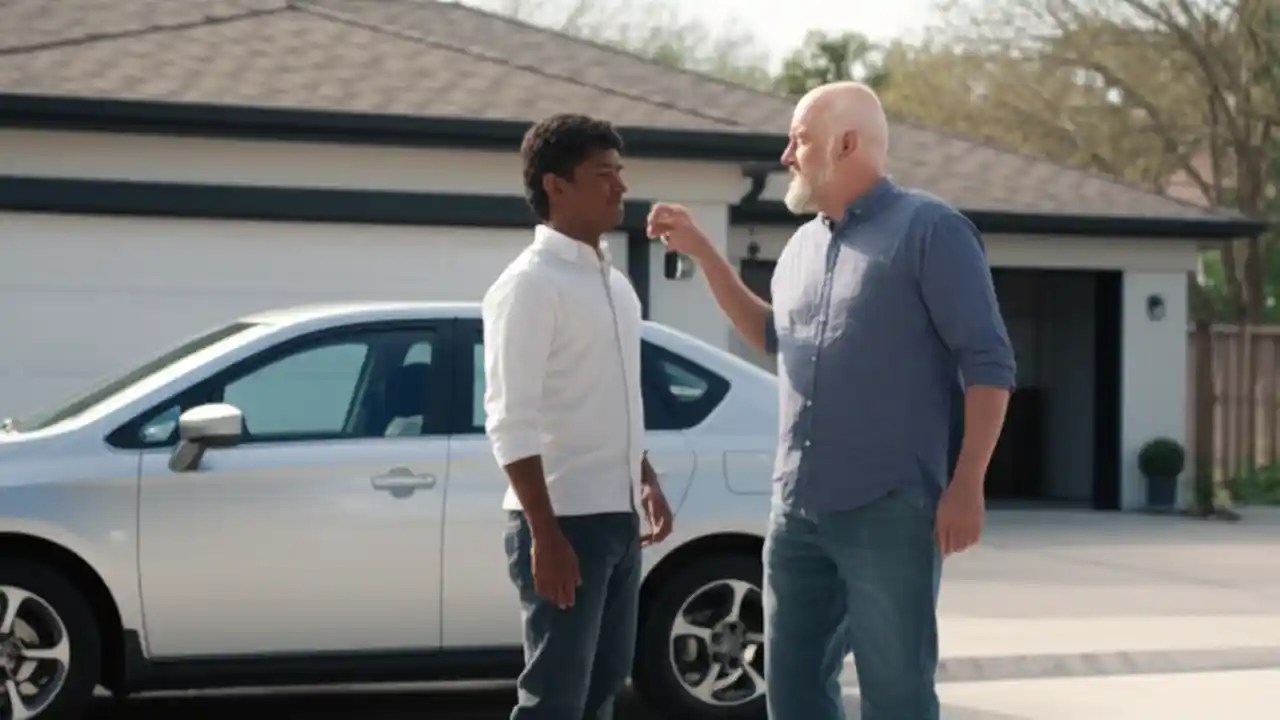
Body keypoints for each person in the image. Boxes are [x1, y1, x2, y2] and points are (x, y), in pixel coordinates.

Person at [646, 81, 1016, 720]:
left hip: (890, 511)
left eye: (800, 139)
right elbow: (770, 335)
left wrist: (968, 484)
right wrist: (707, 255)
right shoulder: (800, 248)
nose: (787, 154)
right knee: (790, 693)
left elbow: (990, 363)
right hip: (795, 514)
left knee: (896, 695)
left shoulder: (932, 230)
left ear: (846, 145)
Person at [483, 113, 676, 720]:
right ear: (554, 186)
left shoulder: (615, 285)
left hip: (616, 519)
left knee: (601, 692)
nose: (620, 187)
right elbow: (510, 418)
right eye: (603, 176)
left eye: (620, 173)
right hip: (563, 523)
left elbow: (612, 395)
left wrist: (643, 475)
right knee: (554, 702)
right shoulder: (529, 286)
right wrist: (545, 534)